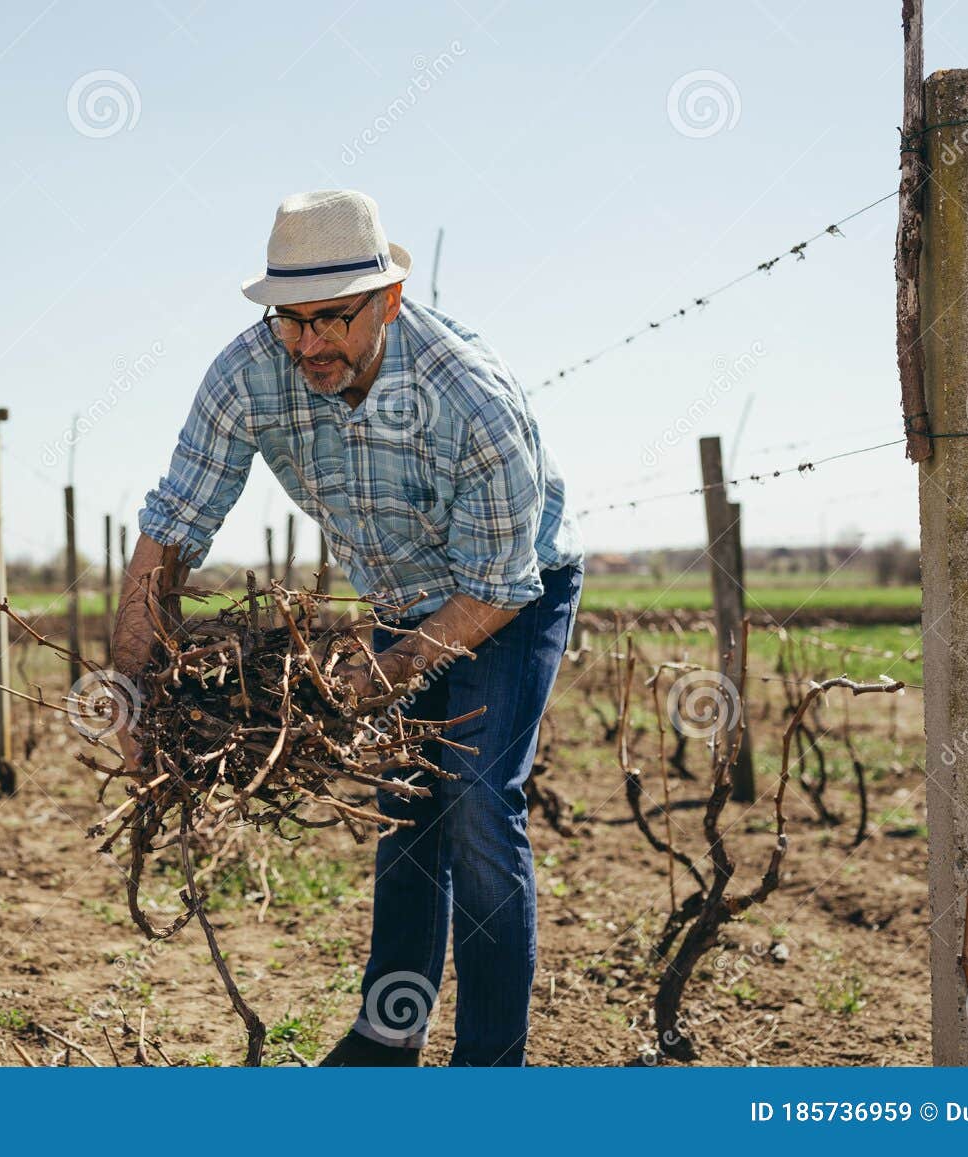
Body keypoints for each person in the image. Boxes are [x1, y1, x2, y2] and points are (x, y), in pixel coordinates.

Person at [108, 189, 583, 1066]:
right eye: (292, 321)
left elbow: (495, 590)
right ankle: (386, 1039)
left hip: (511, 592)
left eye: (332, 319)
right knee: (408, 804)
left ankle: (489, 1071)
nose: (309, 345)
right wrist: (133, 692)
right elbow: (167, 536)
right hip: (402, 594)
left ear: (388, 301)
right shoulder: (249, 373)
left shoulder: (468, 399)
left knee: (477, 802)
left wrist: (368, 681)